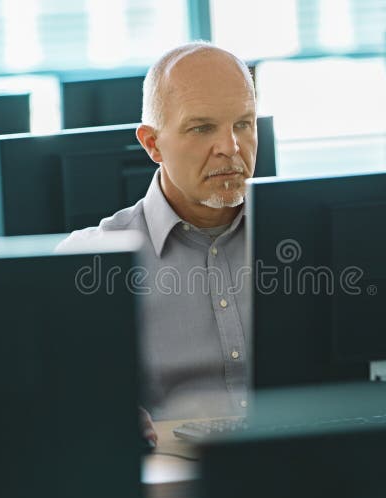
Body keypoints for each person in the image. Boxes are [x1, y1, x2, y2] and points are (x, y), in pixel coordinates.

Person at [57, 42, 258, 435]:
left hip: (303, 473)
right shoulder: (90, 258)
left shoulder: (304, 239)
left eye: (243, 124)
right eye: (202, 128)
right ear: (152, 144)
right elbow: (55, 398)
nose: (230, 148)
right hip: (168, 482)